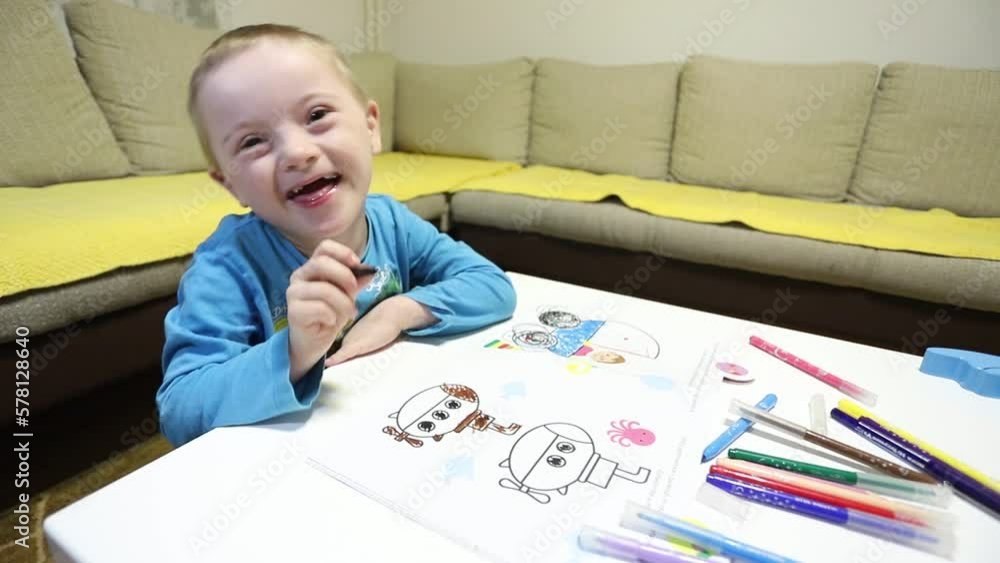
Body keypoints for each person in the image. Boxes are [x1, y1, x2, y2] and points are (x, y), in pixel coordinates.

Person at [157, 24, 515, 446]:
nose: (297, 153)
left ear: (370, 127)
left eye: (316, 116)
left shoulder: (392, 222)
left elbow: (492, 285)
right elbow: (180, 410)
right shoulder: (227, 265)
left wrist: (399, 311)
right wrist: (295, 350)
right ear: (230, 184)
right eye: (252, 141)